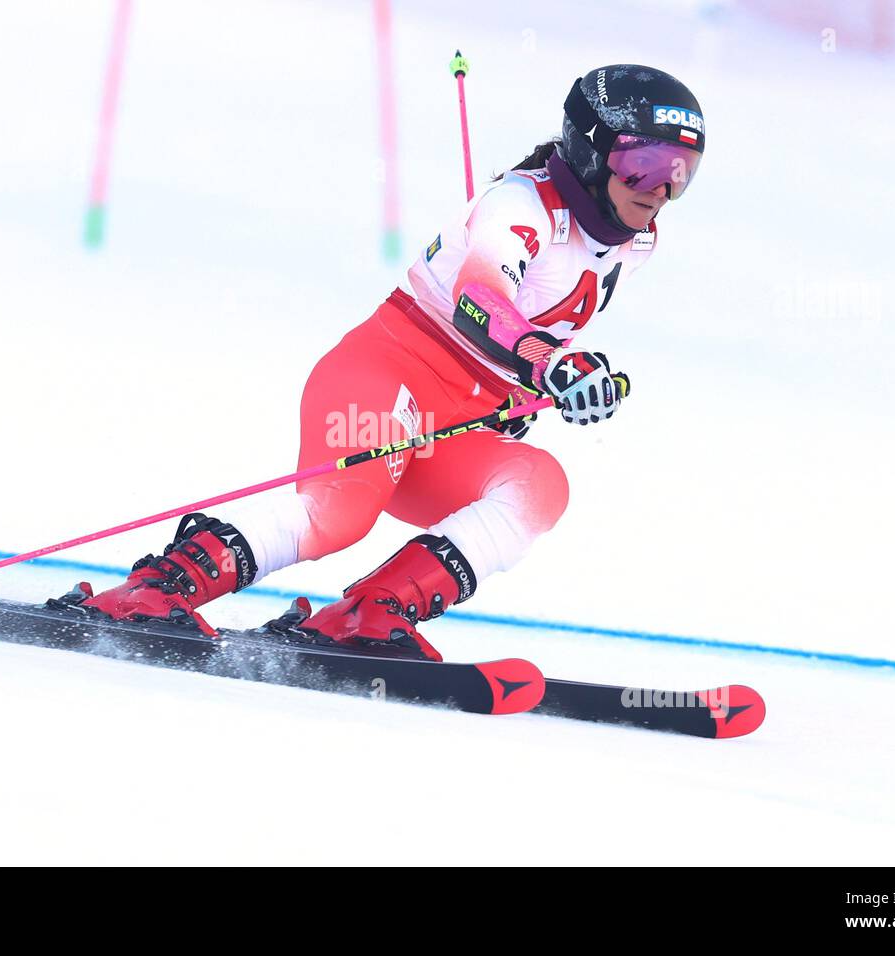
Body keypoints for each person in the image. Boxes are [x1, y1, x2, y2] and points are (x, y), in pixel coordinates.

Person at [61, 65, 706, 661]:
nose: (661, 191)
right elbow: (480, 304)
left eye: (681, 171)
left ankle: (367, 614)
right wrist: (550, 368)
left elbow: (540, 318)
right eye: (643, 165)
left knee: (541, 486)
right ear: (591, 150)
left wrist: (565, 377)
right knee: (341, 515)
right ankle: (156, 590)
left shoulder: (633, 243)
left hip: (449, 429)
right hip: (382, 377)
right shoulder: (520, 208)